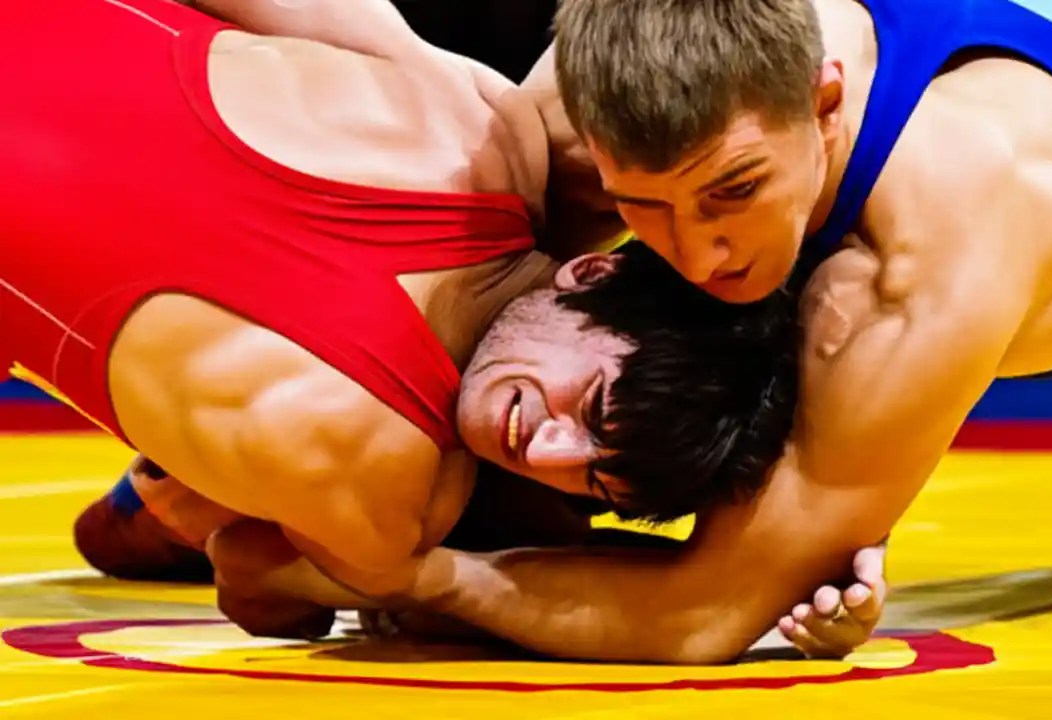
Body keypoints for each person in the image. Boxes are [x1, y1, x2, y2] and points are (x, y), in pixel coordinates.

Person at [352, 0, 1052, 663]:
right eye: (644, 206)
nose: (699, 254)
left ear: (824, 100)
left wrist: (409, 577)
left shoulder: (926, 249)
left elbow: (701, 616)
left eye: (736, 190)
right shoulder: (599, 85)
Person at [4, 0, 791, 640]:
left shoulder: (481, 121)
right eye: (590, 406)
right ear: (592, 270)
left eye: (588, 475)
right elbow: (253, 576)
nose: (545, 446)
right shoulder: (392, 495)